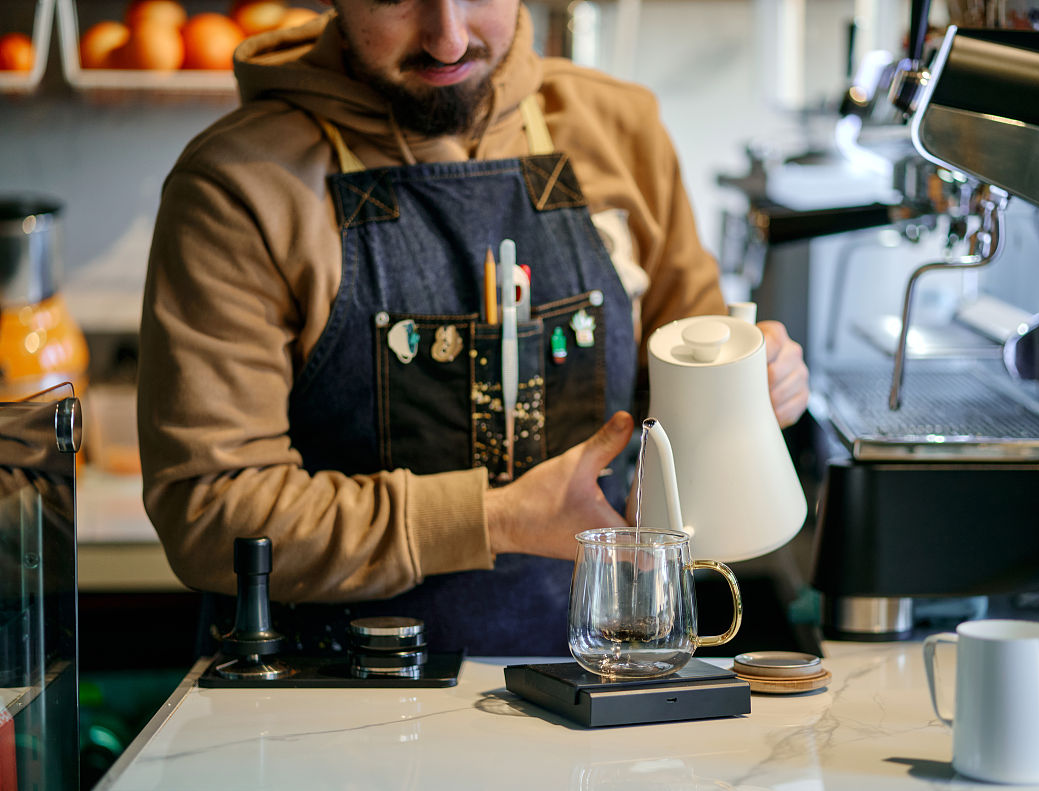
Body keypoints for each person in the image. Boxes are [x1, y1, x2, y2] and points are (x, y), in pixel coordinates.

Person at [137, 0, 809, 656]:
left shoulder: (616, 127)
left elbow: (689, 382)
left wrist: (747, 386)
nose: (449, 39)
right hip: (333, 692)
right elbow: (210, 514)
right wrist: (496, 518)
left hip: (610, 672)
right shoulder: (240, 183)